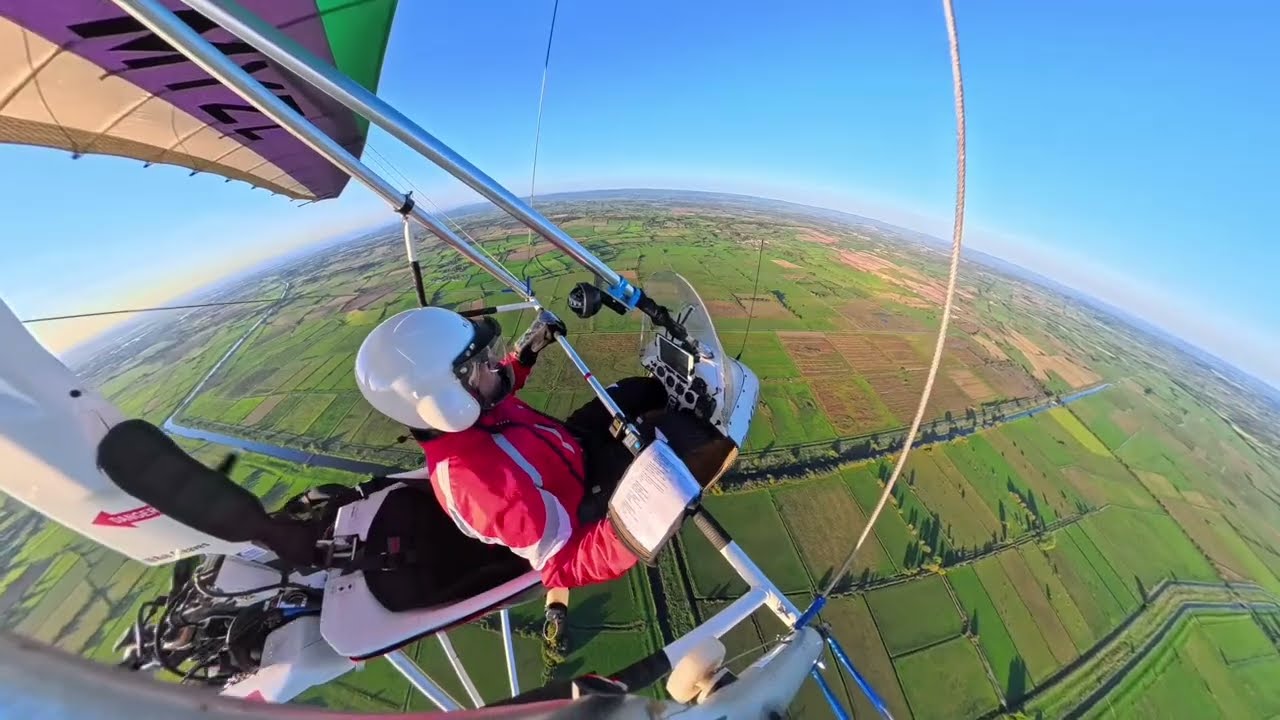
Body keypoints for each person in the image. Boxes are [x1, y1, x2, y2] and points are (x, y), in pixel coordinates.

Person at [353, 306, 668, 653]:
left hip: (569, 446)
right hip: (585, 501)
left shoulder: (467, 410)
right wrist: (640, 526)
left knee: (644, 391)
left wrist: (523, 355)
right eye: (480, 364)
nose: (493, 364)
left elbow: (494, 387)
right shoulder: (481, 486)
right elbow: (565, 563)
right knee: (674, 443)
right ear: (449, 398)